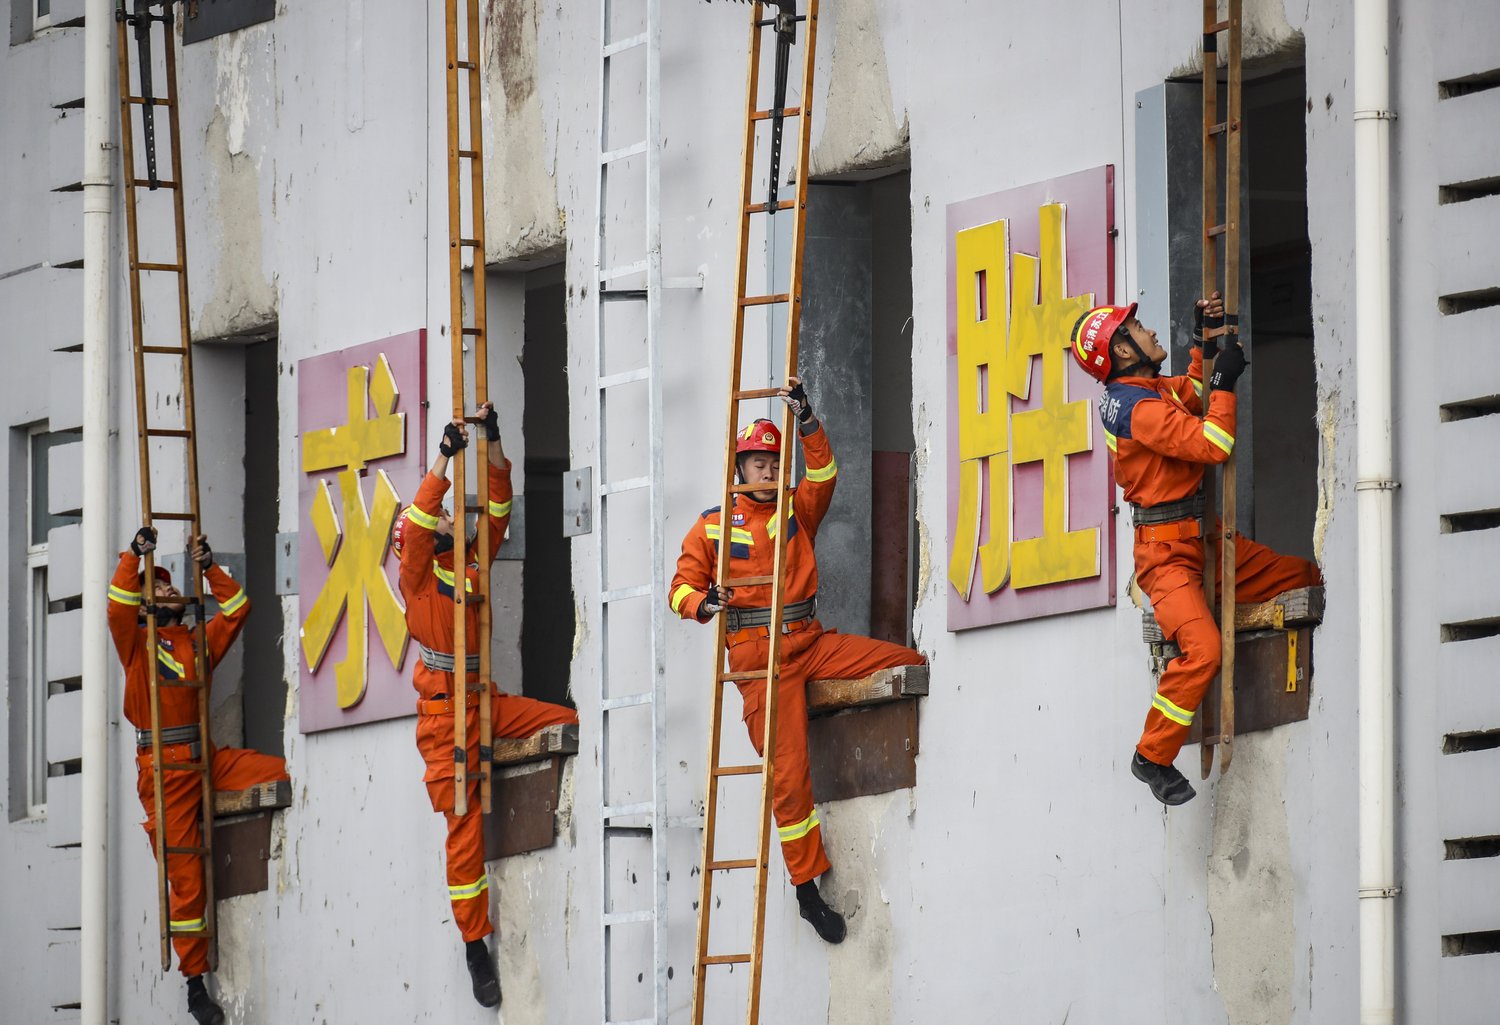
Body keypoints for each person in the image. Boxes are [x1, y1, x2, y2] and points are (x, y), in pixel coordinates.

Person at [669, 377, 926, 944]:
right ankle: (807, 888)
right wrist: (704, 602)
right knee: (788, 778)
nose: (765, 471)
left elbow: (824, 474)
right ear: (739, 469)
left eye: (771, 463)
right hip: (759, 660)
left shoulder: (796, 510)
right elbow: (679, 587)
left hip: (810, 641)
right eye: (756, 463)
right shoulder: (712, 524)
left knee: (906, 662)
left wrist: (807, 420)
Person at [1070, 293, 1321, 806]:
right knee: (1204, 649)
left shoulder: (1144, 390)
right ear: (1122, 352)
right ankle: (1152, 756)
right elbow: (1214, 444)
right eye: (1137, 328)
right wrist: (1225, 383)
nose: (1148, 331)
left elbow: (1194, 392)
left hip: (1202, 540)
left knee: (1302, 578)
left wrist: (1202, 343)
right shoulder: (1140, 410)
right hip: (1167, 560)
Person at [391, 402, 578, 1007]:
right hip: (444, 717)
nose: (450, 516)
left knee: (568, 722)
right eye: (442, 515)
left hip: (484, 702)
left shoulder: (469, 564)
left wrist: (491, 437)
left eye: (447, 513)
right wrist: (444, 457)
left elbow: (499, 502)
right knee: (464, 828)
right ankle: (474, 945)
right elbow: (419, 524)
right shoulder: (417, 576)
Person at [107, 529, 290, 1025]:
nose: (168, 588)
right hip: (164, 771)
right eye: (157, 587)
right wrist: (134, 555)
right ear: (145, 606)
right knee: (186, 879)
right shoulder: (135, 645)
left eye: (168, 583)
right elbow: (117, 607)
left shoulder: (196, 643)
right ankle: (194, 985)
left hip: (205, 759)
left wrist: (209, 568)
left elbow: (238, 609)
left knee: (282, 773)